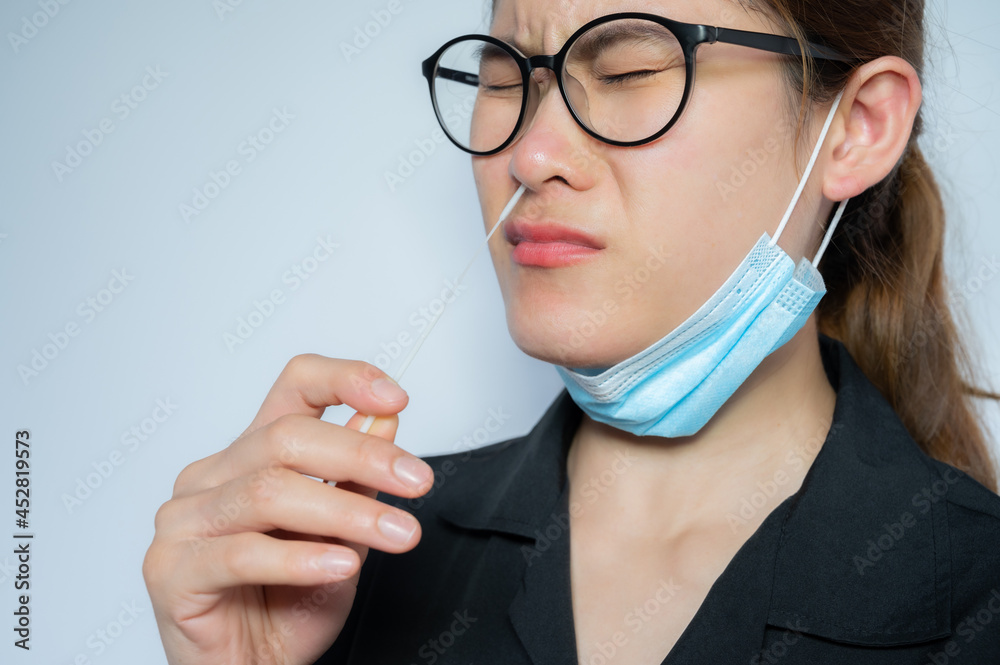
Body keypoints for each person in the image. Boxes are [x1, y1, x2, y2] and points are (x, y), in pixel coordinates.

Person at [143, 0, 1000, 663]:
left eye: (627, 70)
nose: (531, 153)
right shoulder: (341, 567)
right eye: (507, 75)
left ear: (858, 126)